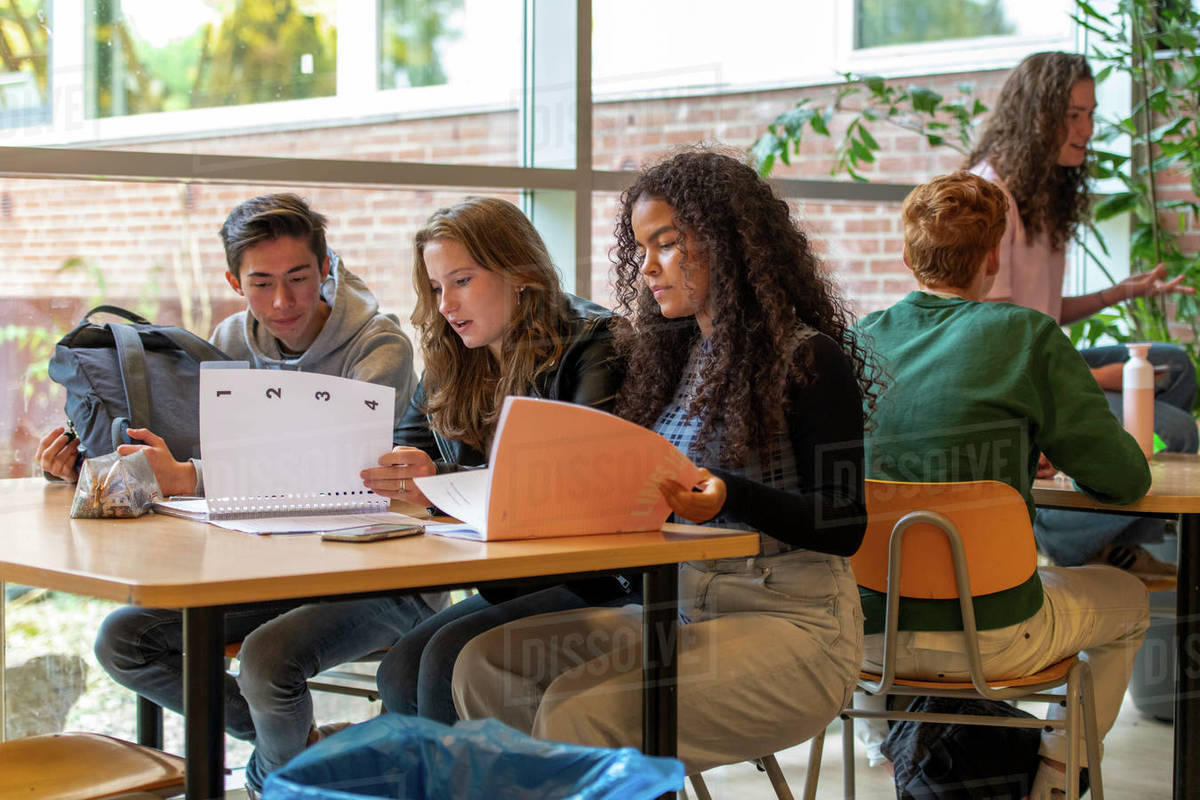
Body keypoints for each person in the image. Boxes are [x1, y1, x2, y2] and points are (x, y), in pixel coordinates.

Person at [450, 150, 874, 773]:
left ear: (728, 245)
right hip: (680, 612)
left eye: (667, 244)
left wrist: (728, 492)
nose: (647, 266)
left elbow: (845, 525)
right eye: (641, 247)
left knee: (578, 710)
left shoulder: (809, 360)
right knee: (487, 666)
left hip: (795, 627)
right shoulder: (676, 358)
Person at [37, 193, 429, 798]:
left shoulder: (379, 347)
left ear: (326, 269)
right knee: (124, 640)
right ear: (233, 281)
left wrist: (191, 475)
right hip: (272, 571)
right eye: (261, 283)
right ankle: (305, 755)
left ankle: (278, 778)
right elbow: (199, 467)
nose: (282, 301)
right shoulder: (225, 341)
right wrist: (88, 468)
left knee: (269, 661)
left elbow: (333, 467)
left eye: (299, 278)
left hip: (382, 574)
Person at [855, 171, 1150, 798]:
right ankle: (1056, 778)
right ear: (994, 258)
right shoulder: (1027, 336)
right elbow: (1122, 478)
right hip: (992, 640)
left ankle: (896, 758)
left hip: (865, 641)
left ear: (907, 257)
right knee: (1129, 602)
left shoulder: (856, 341)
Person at [361, 196, 633, 724]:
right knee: (398, 670)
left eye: (461, 281)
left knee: (443, 661)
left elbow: (578, 478)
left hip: (595, 579)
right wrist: (403, 468)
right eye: (437, 287)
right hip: (509, 578)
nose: (444, 305)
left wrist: (435, 480)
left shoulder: (595, 341)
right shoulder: (454, 352)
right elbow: (406, 450)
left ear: (520, 273)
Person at [965, 50, 1195, 571]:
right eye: (1073, 114)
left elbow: (1041, 310)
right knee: (1176, 431)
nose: (1087, 129)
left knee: (1174, 366)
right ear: (1036, 114)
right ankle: (1060, 536)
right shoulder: (993, 195)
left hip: (1042, 359)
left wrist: (1121, 292)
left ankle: (1112, 546)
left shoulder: (1043, 190)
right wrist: (1094, 381)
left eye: (1090, 114)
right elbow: (995, 340)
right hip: (1018, 377)